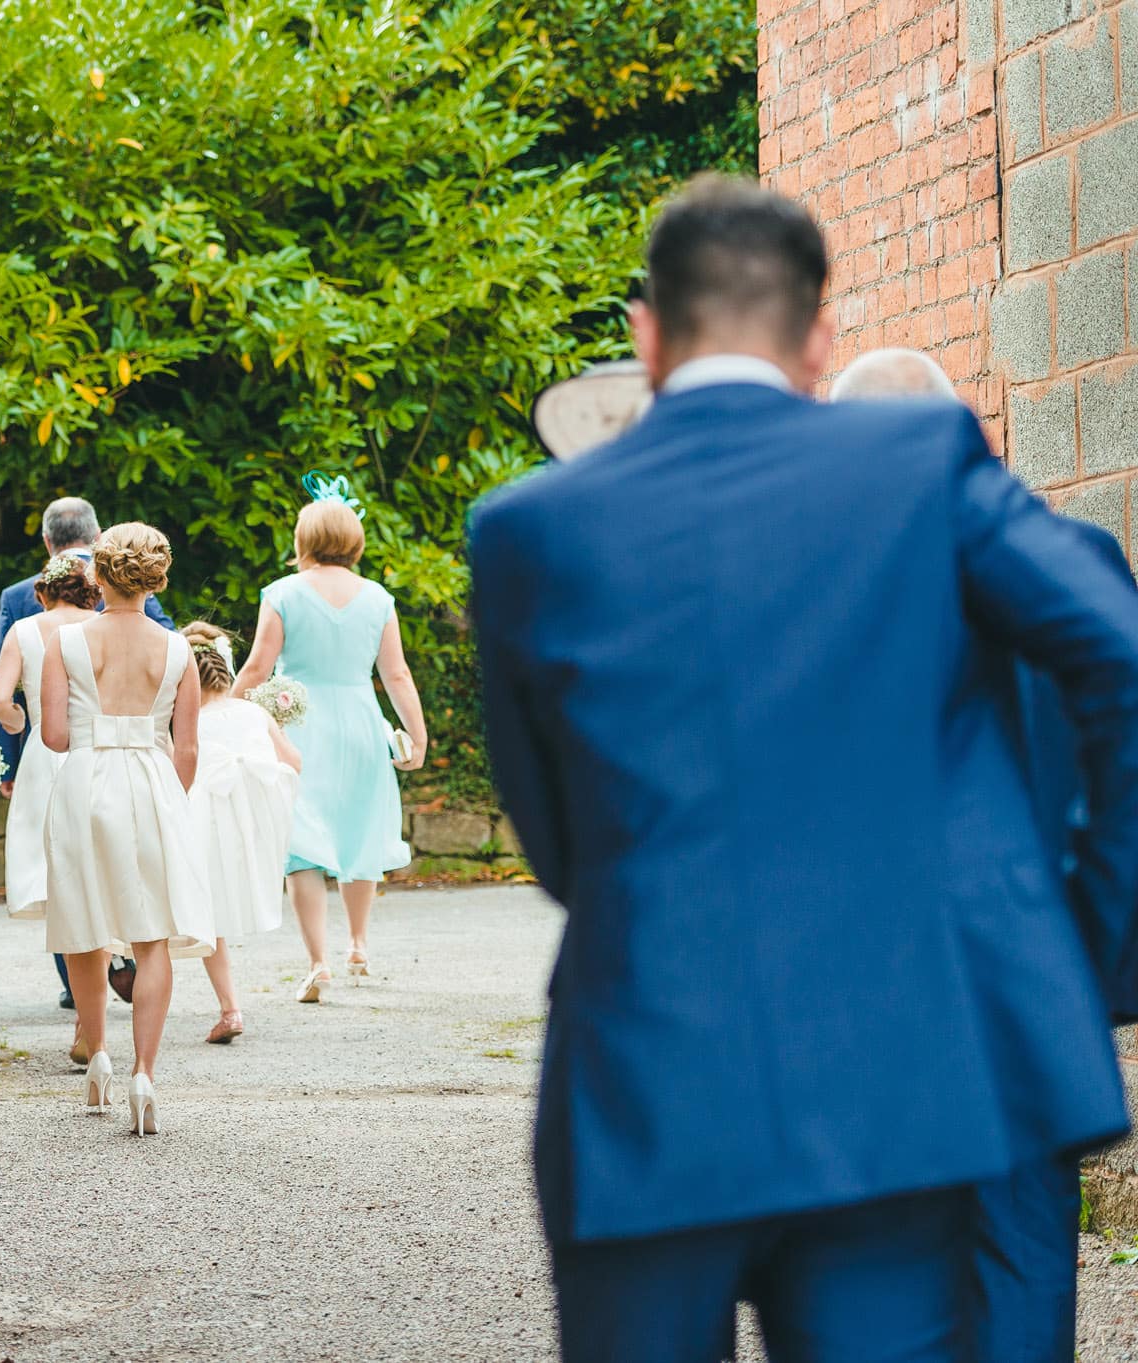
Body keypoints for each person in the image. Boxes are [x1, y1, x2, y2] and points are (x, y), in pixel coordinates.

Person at [468, 175, 1138, 1362]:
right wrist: (1080, 926)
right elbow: (1118, 651)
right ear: (820, 332)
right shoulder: (918, 464)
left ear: (646, 335)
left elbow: (553, 830)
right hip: (891, 1075)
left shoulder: (528, 529)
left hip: (642, 1069)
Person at [832, 344, 1137, 1363]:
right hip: (1035, 961)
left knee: (877, 1269)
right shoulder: (1078, 553)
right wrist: (1091, 931)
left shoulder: (823, 588)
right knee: (1024, 1253)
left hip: (875, 979)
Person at [40, 523, 210, 1134]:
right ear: (157, 577)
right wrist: (168, 795)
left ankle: (99, 1061)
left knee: (84, 927)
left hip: (86, 781)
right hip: (151, 782)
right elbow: (187, 747)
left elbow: (54, 736)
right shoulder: (180, 650)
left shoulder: (67, 642)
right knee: (152, 935)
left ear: (98, 575)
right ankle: (145, 1073)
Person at [231, 489, 428, 1003]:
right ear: (355, 540)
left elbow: (256, 668)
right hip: (362, 725)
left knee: (302, 848)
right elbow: (397, 674)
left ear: (304, 540)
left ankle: (318, 962)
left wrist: (224, 712)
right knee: (360, 832)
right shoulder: (379, 599)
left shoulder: (282, 593)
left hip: (299, 726)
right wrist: (418, 733)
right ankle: (358, 945)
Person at [0, 496, 168, 1008]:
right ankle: (118, 955)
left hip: (51, 751)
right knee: (118, 852)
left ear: (46, 543)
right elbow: (166, 653)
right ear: (95, 537)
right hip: (121, 746)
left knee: (59, 870)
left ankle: (79, 992)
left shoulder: (19, 600)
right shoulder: (133, 582)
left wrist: (8, 751)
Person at [0, 551, 102, 1063]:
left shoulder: (27, 630)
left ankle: (83, 1004)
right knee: (97, 875)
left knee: (58, 879)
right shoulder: (104, 626)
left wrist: (15, 722)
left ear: (42, 592)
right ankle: (89, 1015)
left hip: (44, 755)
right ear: (91, 592)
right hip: (97, 752)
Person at [182, 622, 300, 1044]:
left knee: (203, 917)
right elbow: (293, 763)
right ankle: (229, 1009)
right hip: (251, 825)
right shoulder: (255, 712)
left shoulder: (187, 720)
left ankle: (230, 1008)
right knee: (211, 918)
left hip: (203, 823)